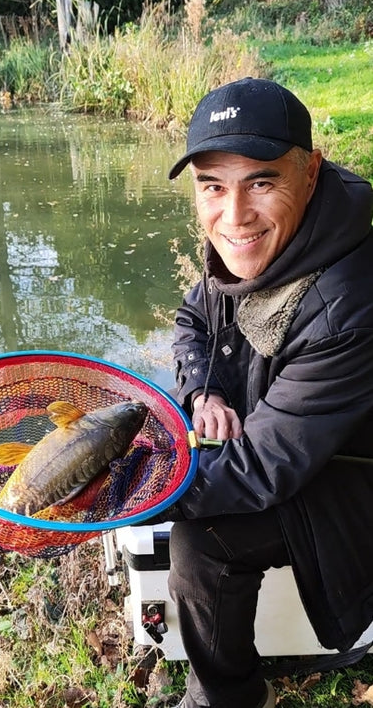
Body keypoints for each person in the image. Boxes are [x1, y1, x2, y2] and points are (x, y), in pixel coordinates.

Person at [165, 77, 373, 708]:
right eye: (212, 187)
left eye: (261, 181)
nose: (234, 217)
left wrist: (142, 495)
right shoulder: (254, 238)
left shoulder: (350, 304)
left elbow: (260, 466)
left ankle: (227, 695)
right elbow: (193, 320)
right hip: (282, 428)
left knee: (199, 543)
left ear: (310, 171)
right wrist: (204, 394)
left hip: (346, 476)